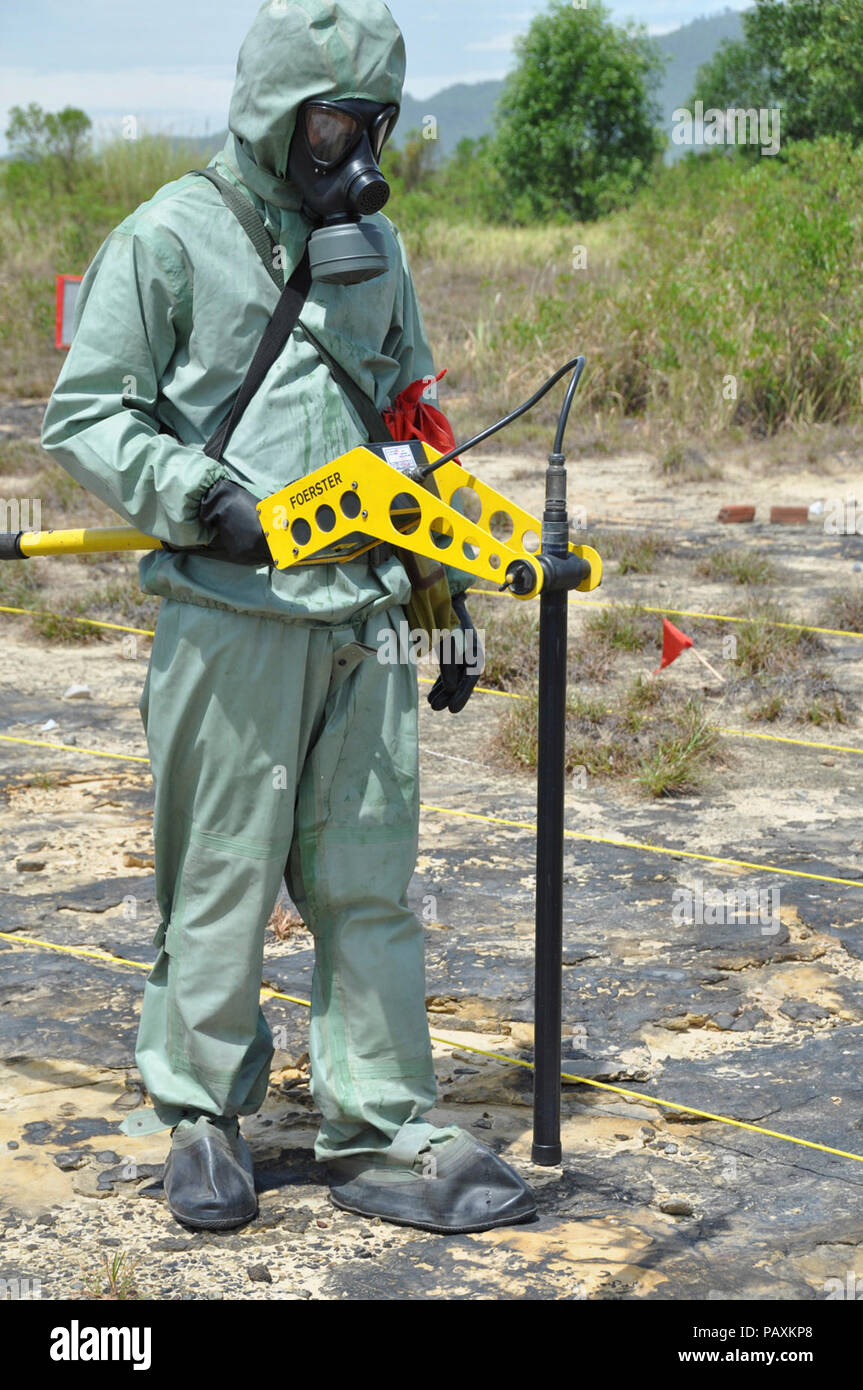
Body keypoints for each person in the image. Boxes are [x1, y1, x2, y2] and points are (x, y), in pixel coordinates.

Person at [41, 0, 536, 1236]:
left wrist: (441, 592)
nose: (357, 152)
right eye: (332, 122)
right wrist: (204, 499)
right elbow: (87, 413)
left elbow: (408, 427)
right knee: (220, 876)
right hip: (229, 612)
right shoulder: (168, 238)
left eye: (375, 123)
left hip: (363, 619)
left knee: (368, 879)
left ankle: (381, 1124)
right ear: (271, 114)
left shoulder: (382, 249)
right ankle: (201, 1115)